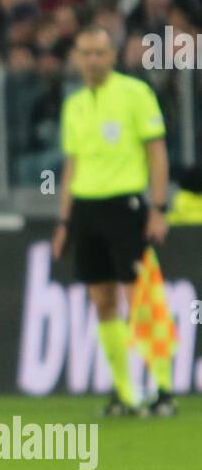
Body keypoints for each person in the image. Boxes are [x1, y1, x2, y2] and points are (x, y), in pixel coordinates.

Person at [52, 24, 173, 416]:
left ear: (113, 55)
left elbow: (156, 152)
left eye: (100, 53)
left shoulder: (135, 94)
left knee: (140, 297)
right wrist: (64, 222)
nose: (92, 60)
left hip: (127, 206)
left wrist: (158, 207)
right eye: (86, 53)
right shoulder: (74, 104)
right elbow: (71, 167)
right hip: (86, 210)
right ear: (76, 57)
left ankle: (163, 388)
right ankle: (126, 393)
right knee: (102, 300)